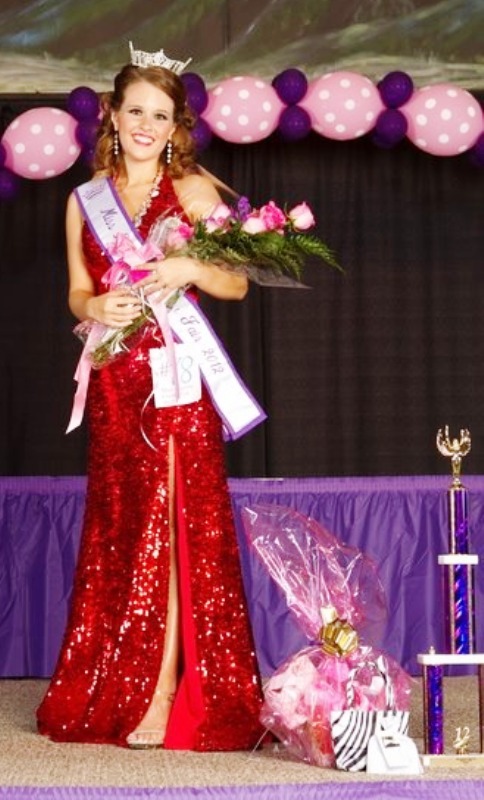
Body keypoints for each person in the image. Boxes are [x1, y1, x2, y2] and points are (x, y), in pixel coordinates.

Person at [36, 51, 264, 751]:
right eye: (133, 109)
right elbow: (76, 290)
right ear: (111, 114)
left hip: (174, 379)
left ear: (175, 128)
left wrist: (189, 265)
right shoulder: (84, 201)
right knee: (123, 530)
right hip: (113, 382)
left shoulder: (194, 191)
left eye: (159, 115)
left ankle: (163, 692)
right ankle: (120, 675)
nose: (144, 124)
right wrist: (95, 302)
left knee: (172, 531)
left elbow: (238, 284)